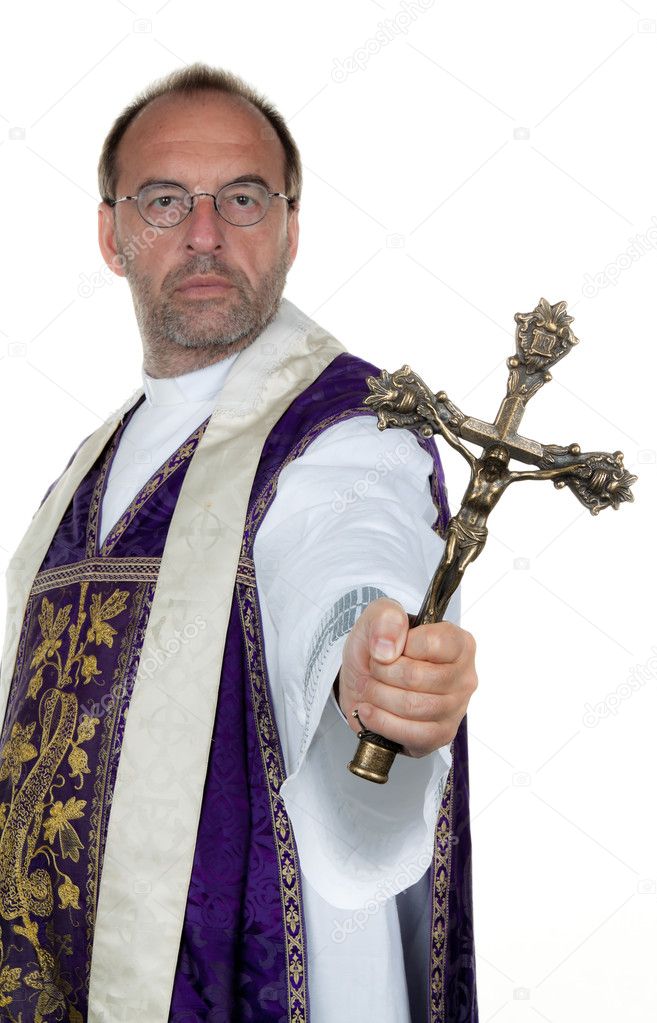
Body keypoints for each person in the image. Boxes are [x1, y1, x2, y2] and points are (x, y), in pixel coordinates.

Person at [0, 64, 478, 1022]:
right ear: (113, 235)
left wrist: (370, 667)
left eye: (244, 198)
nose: (206, 233)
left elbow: (353, 547)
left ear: (291, 230)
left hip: (252, 971)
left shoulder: (351, 424)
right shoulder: (90, 464)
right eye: (167, 200)